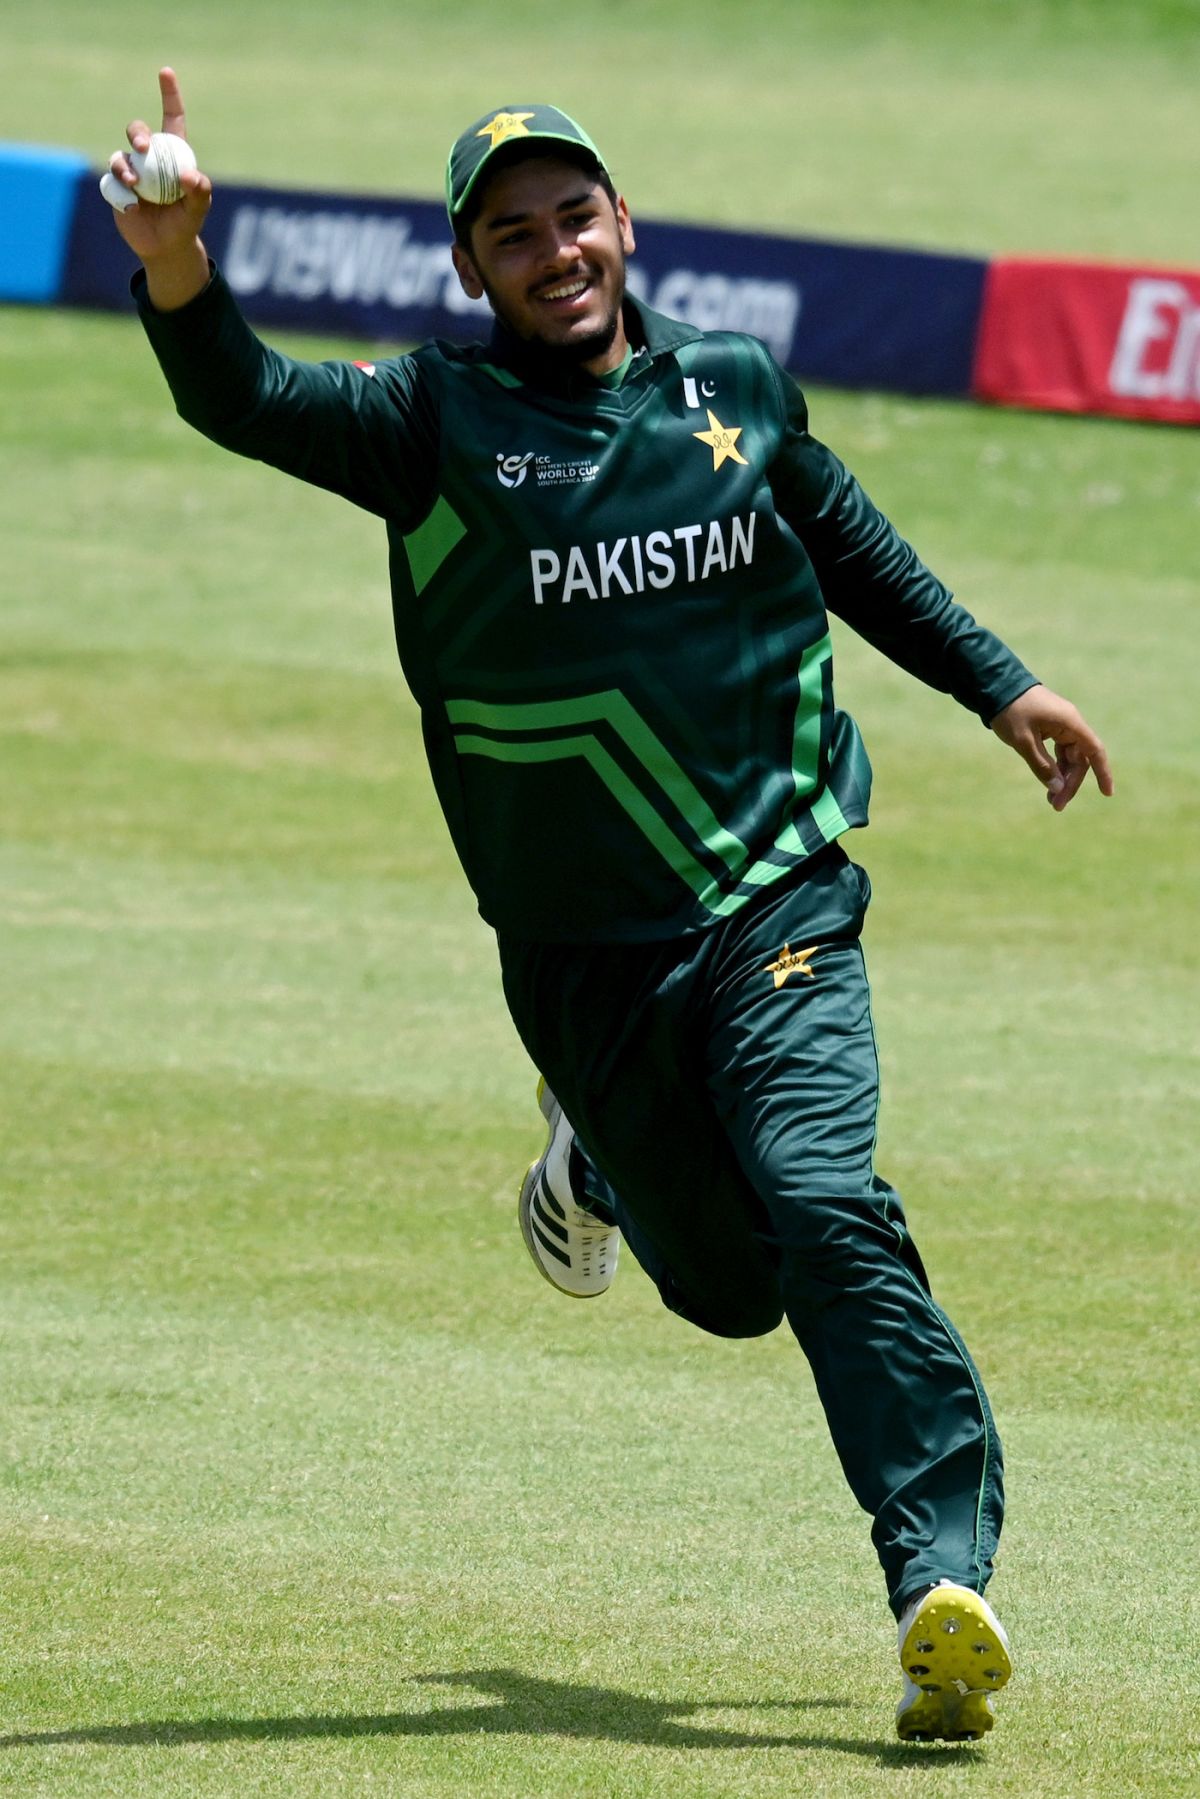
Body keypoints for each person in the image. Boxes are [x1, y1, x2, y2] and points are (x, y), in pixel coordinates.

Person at [107, 69, 1113, 1744]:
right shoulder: (434, 423)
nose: (555, 249)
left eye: (576, 215)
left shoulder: (732, 387)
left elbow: (848, 539)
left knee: (823, 1200)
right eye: (514, 233)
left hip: (776, 893)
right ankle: (595, 1156)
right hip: (582, 954)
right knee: (726, 1288)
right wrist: (174, 263)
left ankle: (941, 1576)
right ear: (471, 270)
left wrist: (1002, 687)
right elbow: (248, 399)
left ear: (625, 224)